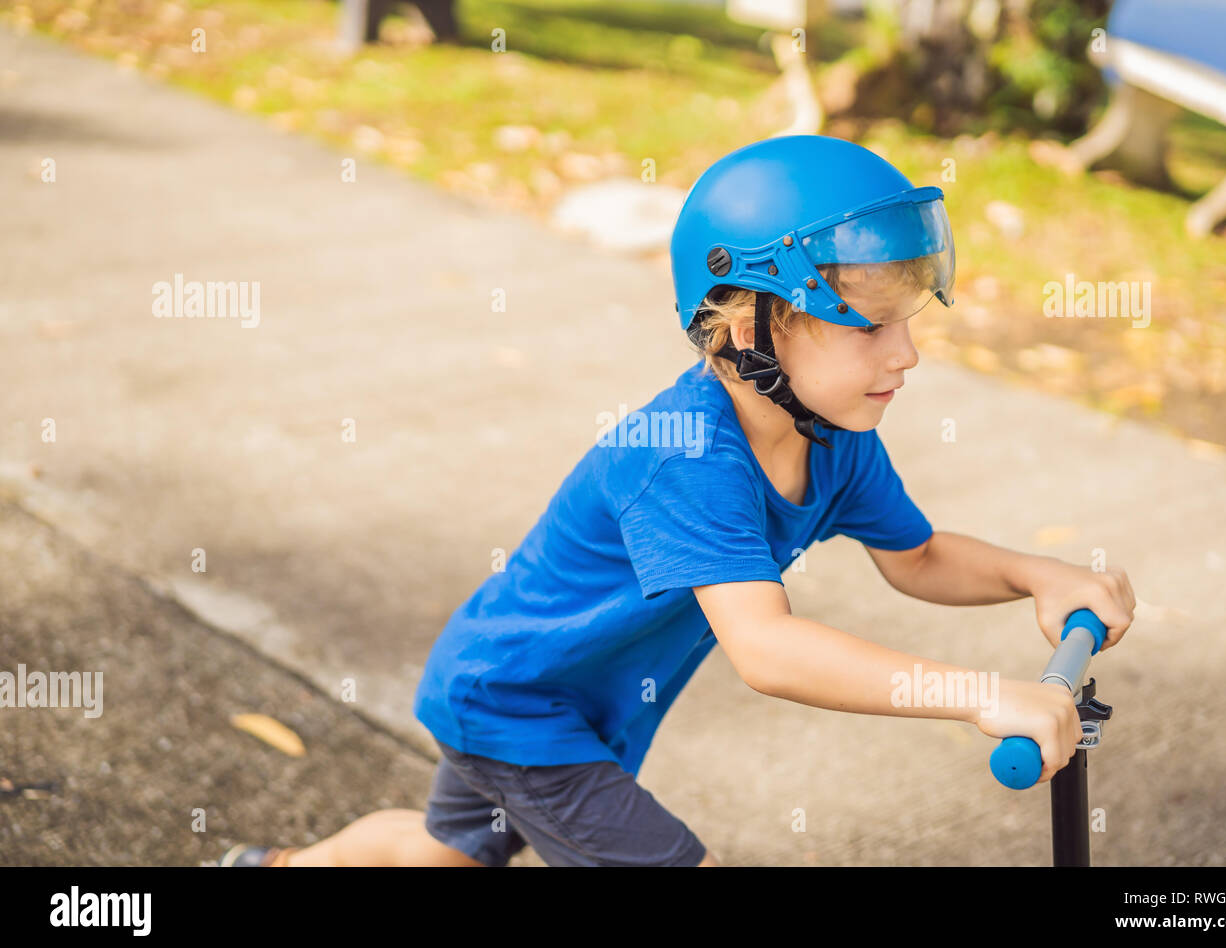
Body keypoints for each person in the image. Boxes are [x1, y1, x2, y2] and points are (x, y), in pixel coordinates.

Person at [221, 134, 1135, 868]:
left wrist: (1033, 574)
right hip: (515, 704)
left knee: (438, 855)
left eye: (909, 317)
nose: (905, 353)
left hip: (552, 696)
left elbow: (921, 557)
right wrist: (975, 694)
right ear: (749, 325)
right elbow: (768, 650)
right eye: (866, 323)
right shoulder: (684, 455)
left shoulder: (834, 437)